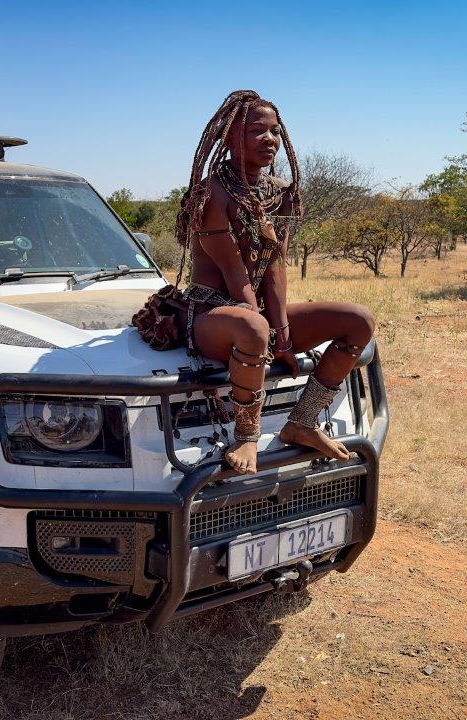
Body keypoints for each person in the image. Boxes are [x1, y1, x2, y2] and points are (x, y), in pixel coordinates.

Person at [136, 90, 375, 475]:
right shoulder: (212, 193)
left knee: (358, 320)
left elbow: (276, 265)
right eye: (256, 132)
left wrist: (280, 327)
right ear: (230, 138)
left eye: (275, 131)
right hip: (213, 314)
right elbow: (234, 273)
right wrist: (270, 332)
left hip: (258, 318)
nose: (270, 140)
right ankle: (246, 435)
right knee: (251, 325)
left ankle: (303, 421)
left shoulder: (279, 193)